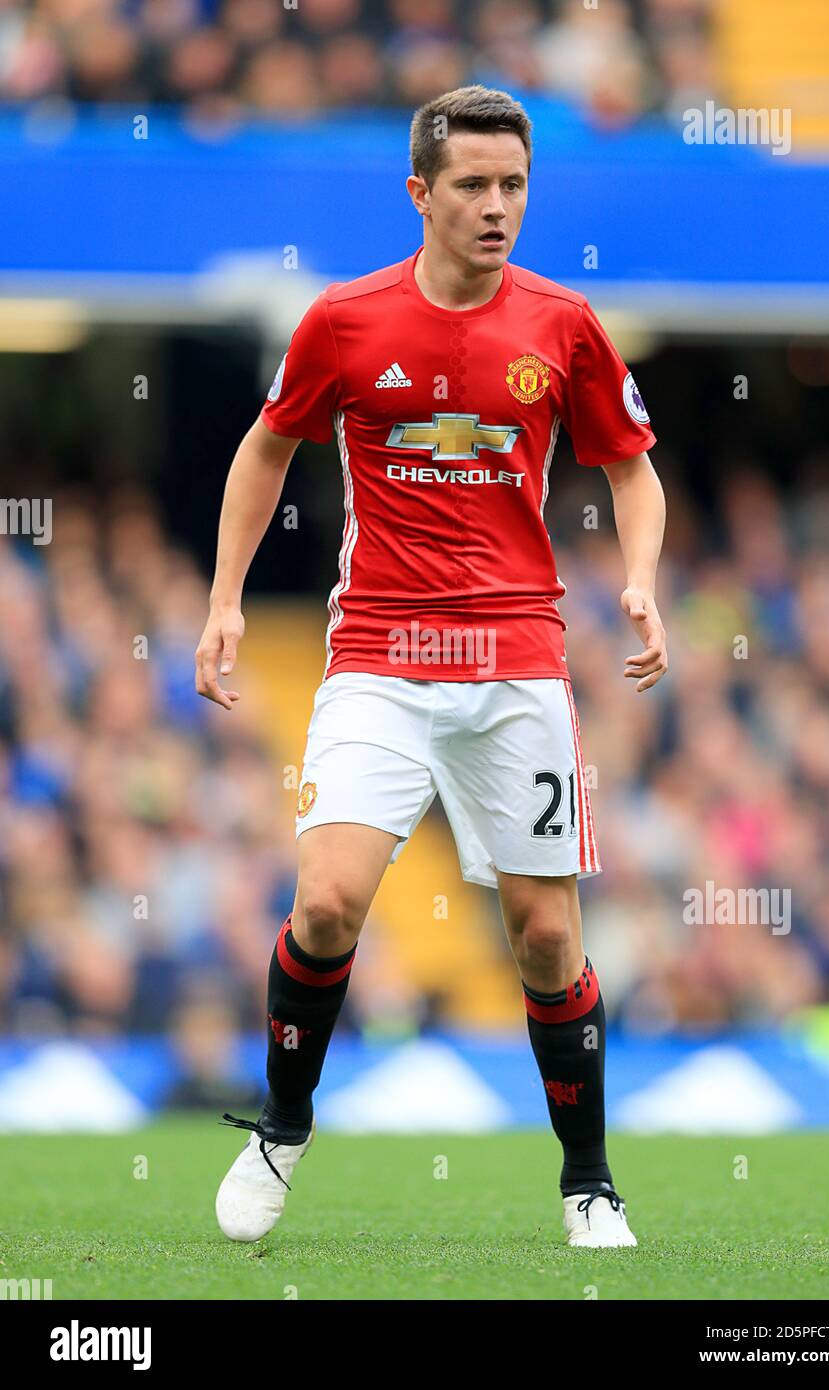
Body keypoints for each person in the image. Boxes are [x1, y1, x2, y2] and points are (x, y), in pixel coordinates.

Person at [196, 84, 667, 1249]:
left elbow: (630, 465)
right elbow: (263, 451)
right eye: (471, 185)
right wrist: (223, 601)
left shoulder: (562, 323)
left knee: (546, 937)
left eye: (513, 185)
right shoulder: (343, 322)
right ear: (419, 192)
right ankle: (281, 1127)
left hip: (516, 663)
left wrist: (641, 580)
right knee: (326, 903)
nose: (496, 206)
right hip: (379, 654)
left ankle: (588, 1182)